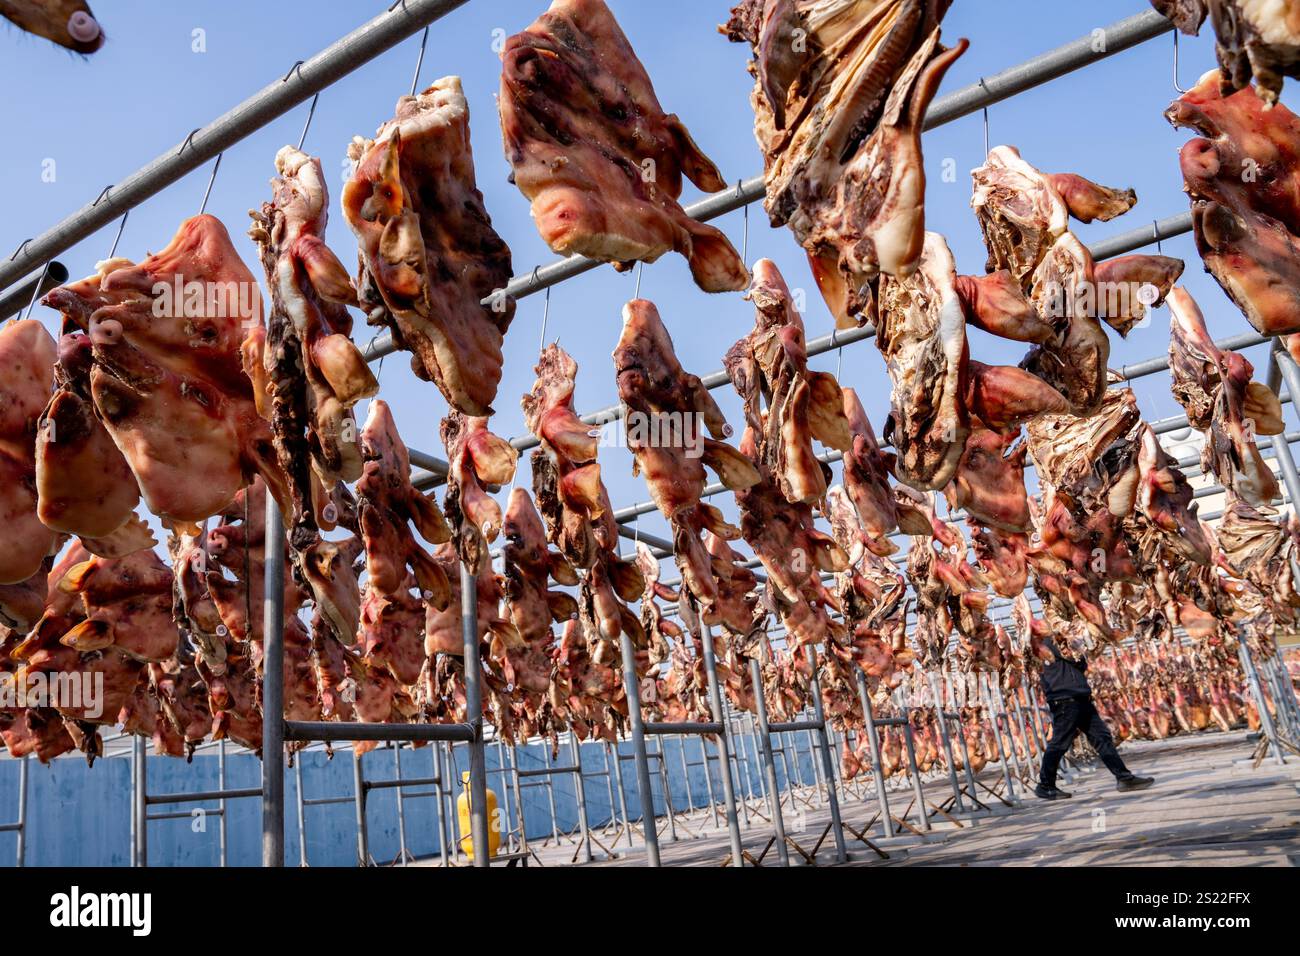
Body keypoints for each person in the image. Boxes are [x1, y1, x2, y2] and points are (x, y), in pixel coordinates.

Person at [1035, 637, 1153, 800]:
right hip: (1064, 699)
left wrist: (1079, 650)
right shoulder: (1048, 642)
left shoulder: (1068, 642)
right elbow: (1069, 655)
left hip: (1081, 698)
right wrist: (1076, 645)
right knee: (1060, 742)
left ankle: (1124, 778)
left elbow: (1081, 665)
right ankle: (1045, 785)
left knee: (1102, 738)